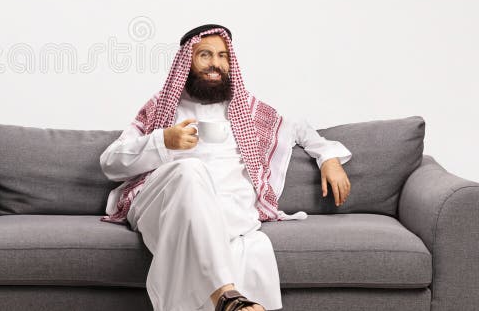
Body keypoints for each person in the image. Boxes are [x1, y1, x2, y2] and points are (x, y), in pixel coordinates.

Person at [99, 24, 353, 311]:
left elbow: (302, 129)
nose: (215, 64)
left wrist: (328, 159)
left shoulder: (249, 110)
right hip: (162, 205)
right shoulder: (160, 108)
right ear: (186, 61)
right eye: (205, 55)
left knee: (232, 235)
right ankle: (226, 295)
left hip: (226, 213)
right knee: (190, 171)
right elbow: (110, 162)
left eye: (222, 56)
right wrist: (163, 141)